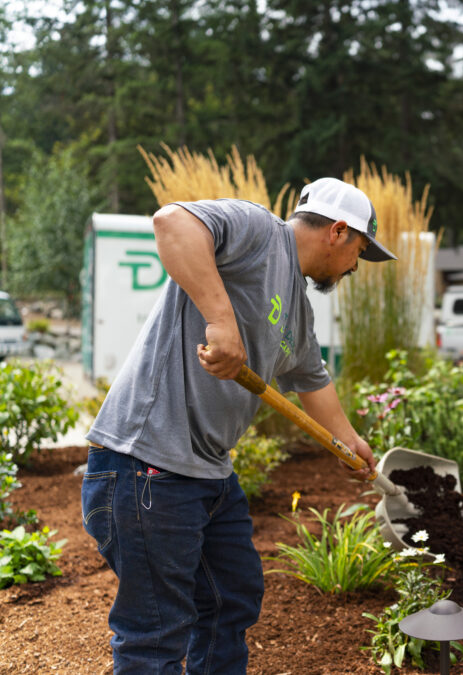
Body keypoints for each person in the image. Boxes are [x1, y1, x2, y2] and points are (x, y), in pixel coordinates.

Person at [81, 177, 395, 673]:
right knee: (157, 631)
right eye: (360, 249)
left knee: (232, 596)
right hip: (147, 465)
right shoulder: (259, 231)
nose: (357, 265)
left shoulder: (298, 308)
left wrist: (348, 442)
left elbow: (313, 379)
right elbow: (172, 223)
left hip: (208, 473)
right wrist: (220, 321)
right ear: (338, 232)